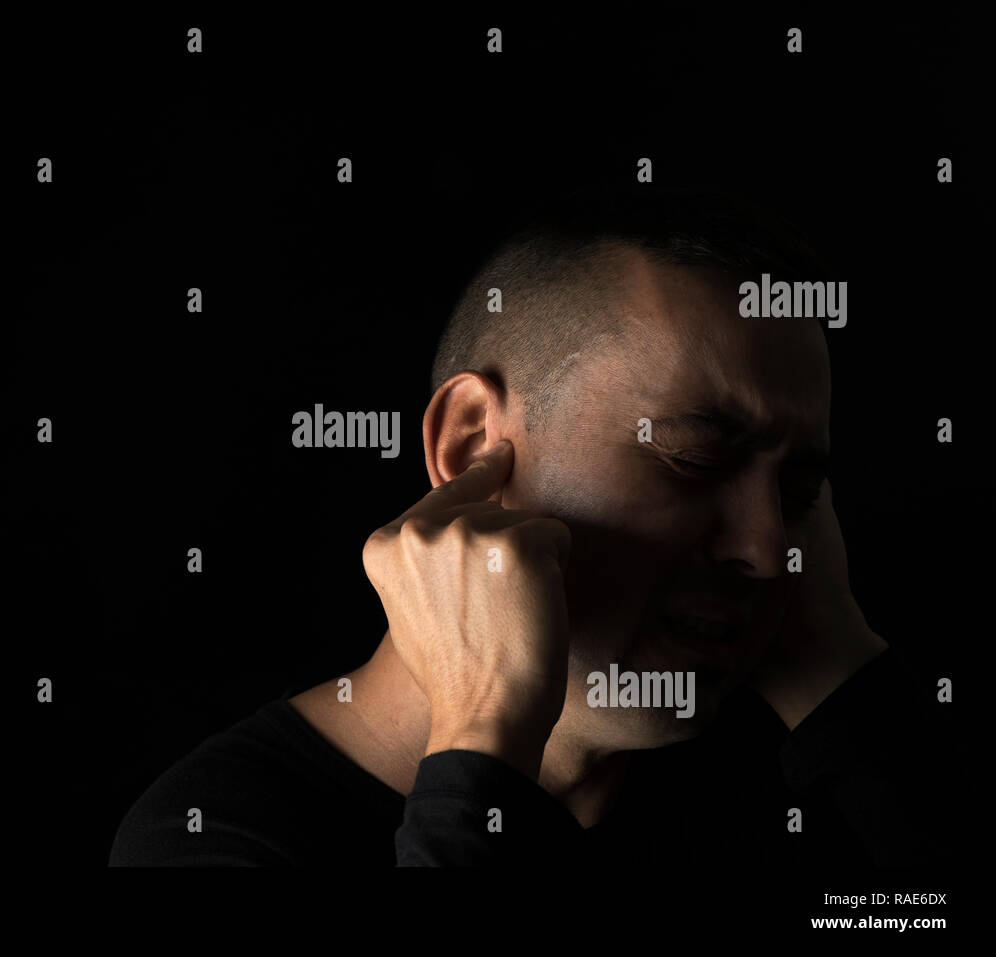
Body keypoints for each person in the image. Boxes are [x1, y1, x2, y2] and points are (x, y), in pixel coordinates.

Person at [109, 187, 953, 871]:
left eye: (799, 491)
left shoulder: (777, 792)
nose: (768, 551)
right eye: (695, 460)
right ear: (474, 444)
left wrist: (840, 678)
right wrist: (484, 739)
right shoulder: (213, 837)